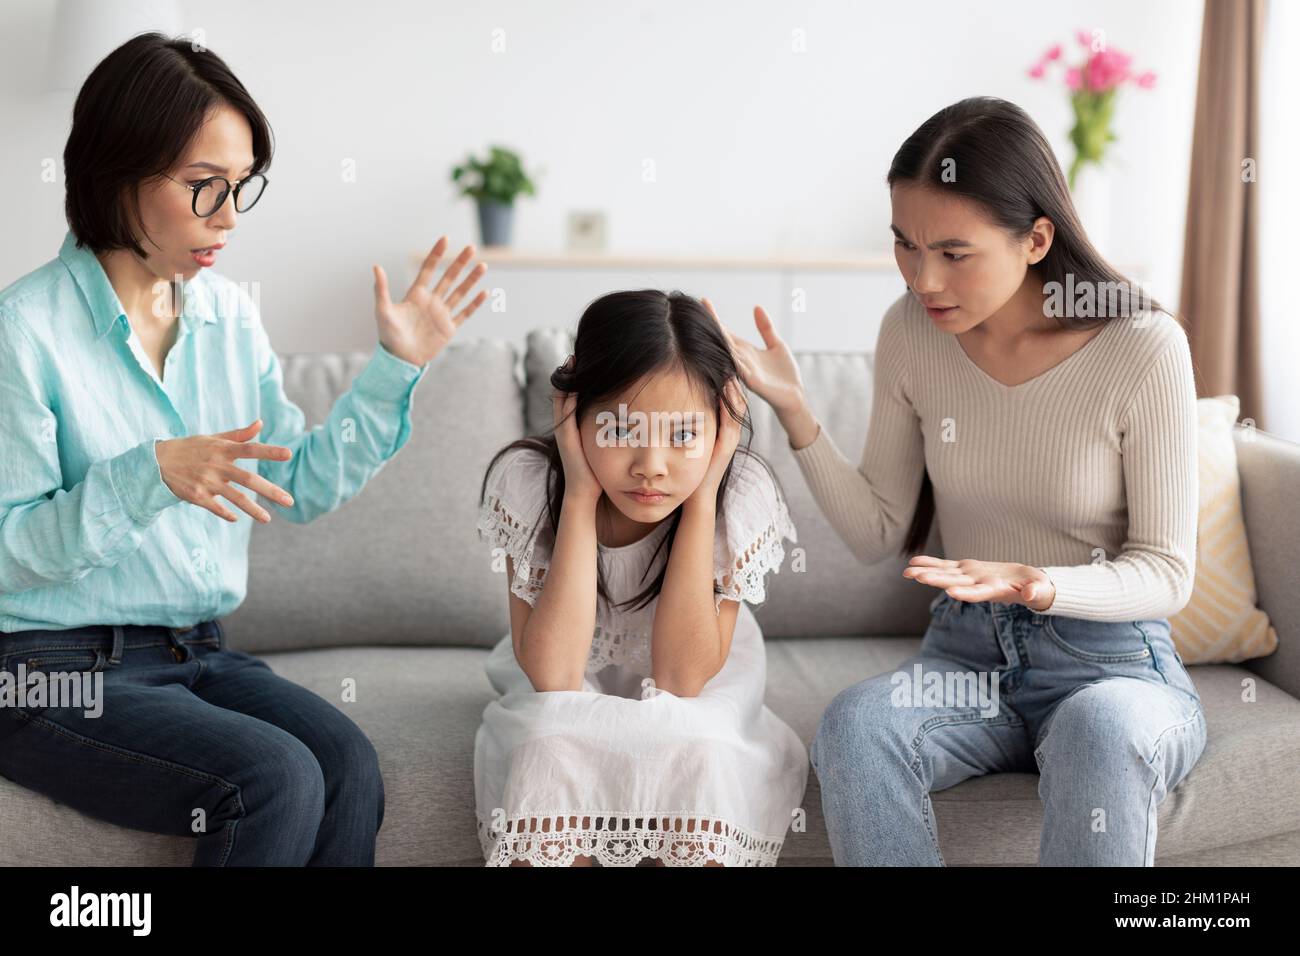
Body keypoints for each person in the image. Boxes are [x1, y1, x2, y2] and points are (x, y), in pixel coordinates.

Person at [0, 32, 487, 865]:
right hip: (47, 671)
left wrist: (396, 368)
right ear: (118, 173)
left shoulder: (229, 317)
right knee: (275, 777)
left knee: (347, 763)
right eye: (203, 188)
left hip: (198, 650)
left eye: (239, 187)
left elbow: (293, 480)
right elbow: (10, 554)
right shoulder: (24, 331)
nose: (228, 217)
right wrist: (147, 474)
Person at [714, 96, 1205, 866]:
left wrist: (1034, 582)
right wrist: (796, 411)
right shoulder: (910, 332)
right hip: (967, 661)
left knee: (1097, 728)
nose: (922, 278)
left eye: (953, 252)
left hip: (1111, 668)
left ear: (1037, 238)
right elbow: (878, 529)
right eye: (905, 245)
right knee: (858, 724)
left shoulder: (1142, 348)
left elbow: (1168, 573)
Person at [473, 290, 807, 866]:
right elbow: (554, 676)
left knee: (697, 748)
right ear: (577, 415)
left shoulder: (741, 491)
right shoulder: (528, 481)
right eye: (623, 429)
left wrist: (703, 499)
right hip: (572, 662)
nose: (652, 464)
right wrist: (580, 493)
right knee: (550, 743)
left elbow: (681, 680)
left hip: (699, 671)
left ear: (720, 428)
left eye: (683, 435)